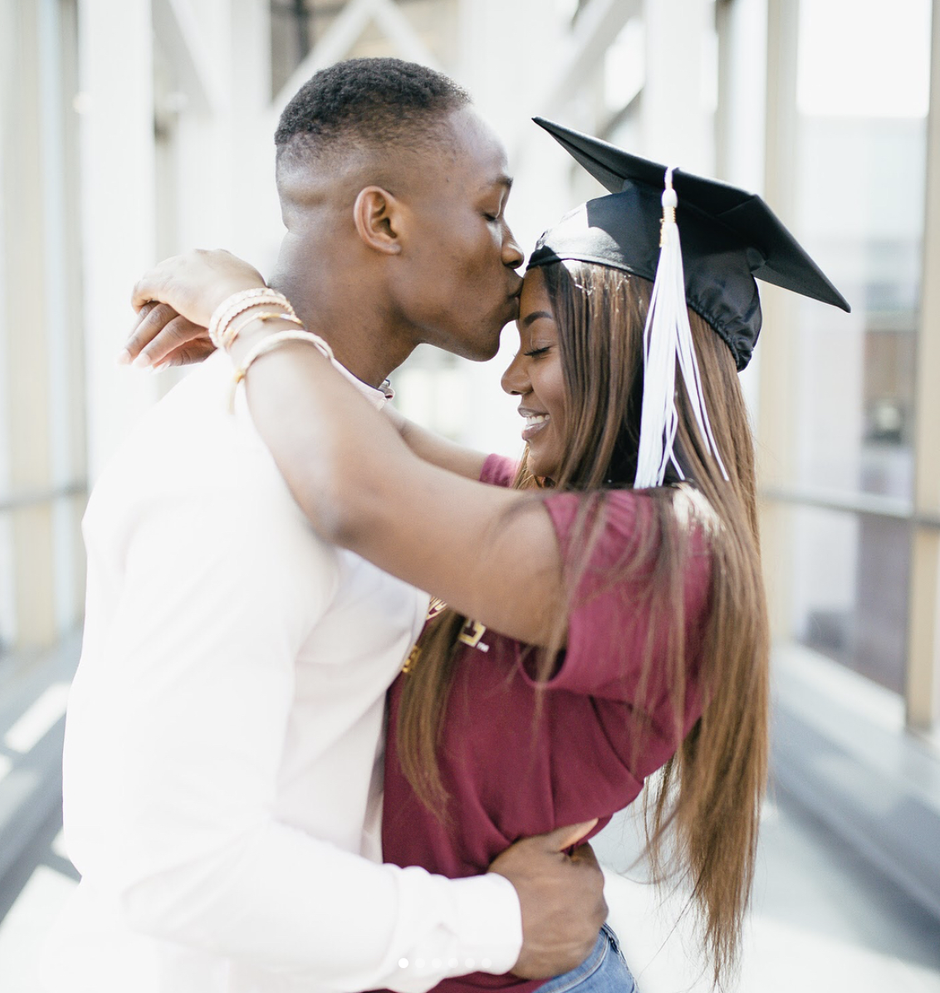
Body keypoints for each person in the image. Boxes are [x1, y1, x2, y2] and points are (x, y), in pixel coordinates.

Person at [128, 120, 850, 992]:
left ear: (630, 356)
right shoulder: (566, 507)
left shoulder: (669, 558)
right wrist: (294, 342)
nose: (511, 380)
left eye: (539, 347)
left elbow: (360, 494)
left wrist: (245, 308)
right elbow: (386, 438)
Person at [41, 62, 609, 993]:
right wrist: (496, 923)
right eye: (490, 212)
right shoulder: (237, 476)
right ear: (382, 221)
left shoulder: (343, 436)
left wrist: (250, 315)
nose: (513, 252)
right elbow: (180, 863)